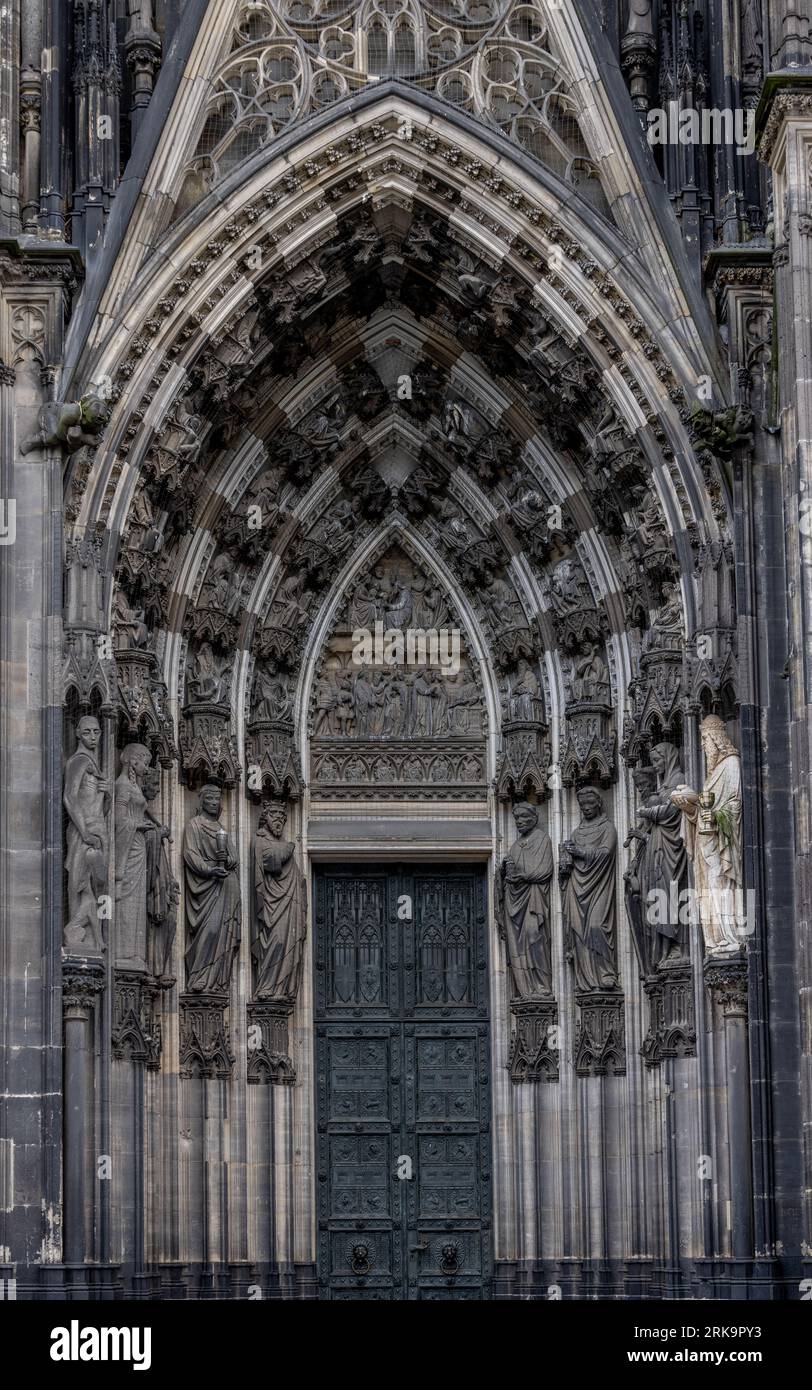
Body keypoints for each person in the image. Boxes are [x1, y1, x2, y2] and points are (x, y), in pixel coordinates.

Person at [670, 716, 746, 955]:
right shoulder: (713, 774)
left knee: (719, 887)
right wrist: (689, 806)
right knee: (708, 892)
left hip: (722, 848)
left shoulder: (731, 764)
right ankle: (715, 939)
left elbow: (734, 807)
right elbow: (706, 811)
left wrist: (703, 807)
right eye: (702, 740)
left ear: (716, 739)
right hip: (707, 846)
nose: (703, 745)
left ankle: (730, 936)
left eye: (705, 739)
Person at [183, 785, 241, 992]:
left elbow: (234, 858)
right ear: (202, 801)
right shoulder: (194, 826)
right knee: (210, 929)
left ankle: (217, 980)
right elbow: (190, 855)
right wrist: (209, 870)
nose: (215, 803)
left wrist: (227, 859)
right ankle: (199, 975)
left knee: (224, 932)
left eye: (218, 799)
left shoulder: (220, 828)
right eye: (211, 799)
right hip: (206, 886)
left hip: (226, 886)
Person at [560, 786, 618, 991]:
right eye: (582, 805)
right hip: (577, 887)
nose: (585, 808)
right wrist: (564, 863)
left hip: (599, 884)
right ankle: (585, 978)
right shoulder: (576, 833)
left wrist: (580, 852)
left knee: (596, 927)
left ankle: (605, 973)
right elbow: (567, 865)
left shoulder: (607, 828)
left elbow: (605, 853)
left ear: (599, 804)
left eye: (589, 804)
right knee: (580, 934)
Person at [495, 803, 553, 997]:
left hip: (535, 900)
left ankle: (541, 984)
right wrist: (503, 870)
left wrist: (523, 876)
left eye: (522, 818)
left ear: (534, 819)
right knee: (518, 942)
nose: (519, 822)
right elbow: (509, 876)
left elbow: (545, 870)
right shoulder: (515, 846)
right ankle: (525, 987)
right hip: (516, 904)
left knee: (534, 935)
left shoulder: (542, 839)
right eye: (516, 818)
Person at [63, 715, 109, 951]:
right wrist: (84, 833)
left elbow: (99, 808)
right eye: (88, 732)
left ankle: (97, 936)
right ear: (78, 734)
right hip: (85, 834)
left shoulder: (95, 764)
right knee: (81, 886)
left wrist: (105, 793)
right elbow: (70, 798)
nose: (93, 736)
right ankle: (75, 932)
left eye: (97, 731)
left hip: (98, 833)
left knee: (100, 888)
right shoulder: (78, 761)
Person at [252, 804, 306, 1001]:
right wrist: (289, 848)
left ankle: (281, 987)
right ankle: (268, 986)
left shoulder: (281, 842)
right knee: (277, 941)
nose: (279, 820)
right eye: (274, 815)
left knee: (288, 942)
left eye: (283, 818)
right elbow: (272, 861)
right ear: (265, 817)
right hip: (273, 906)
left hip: (290, 905)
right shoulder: (261, 840)